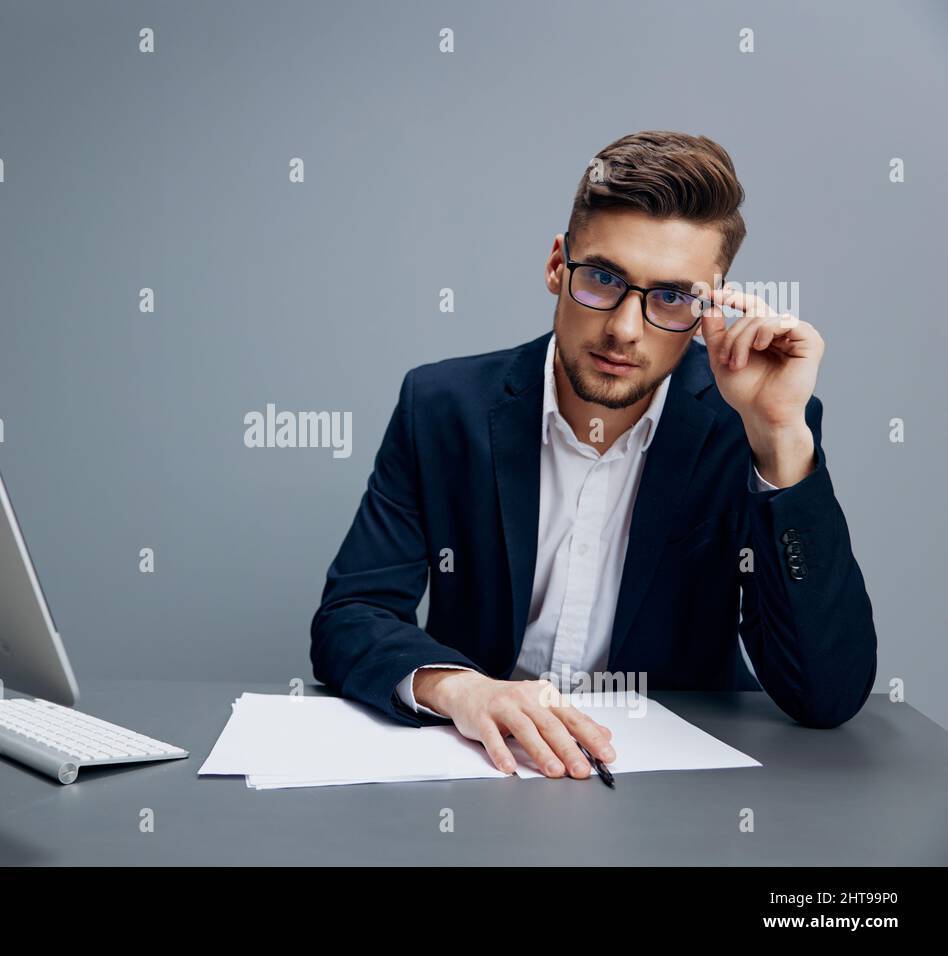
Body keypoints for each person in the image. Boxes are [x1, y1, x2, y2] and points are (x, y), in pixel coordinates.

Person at [310, 130, 878, 779]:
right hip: (485, 770)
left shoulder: (747, 424)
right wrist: (461, 687)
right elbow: (352, 615)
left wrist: (779, 439)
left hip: (679, 796)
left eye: (671, 296)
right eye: (603, 279)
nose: (624, 329)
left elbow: (827, 697)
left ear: (708, 308)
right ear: (558, 264)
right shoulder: (441, 406)